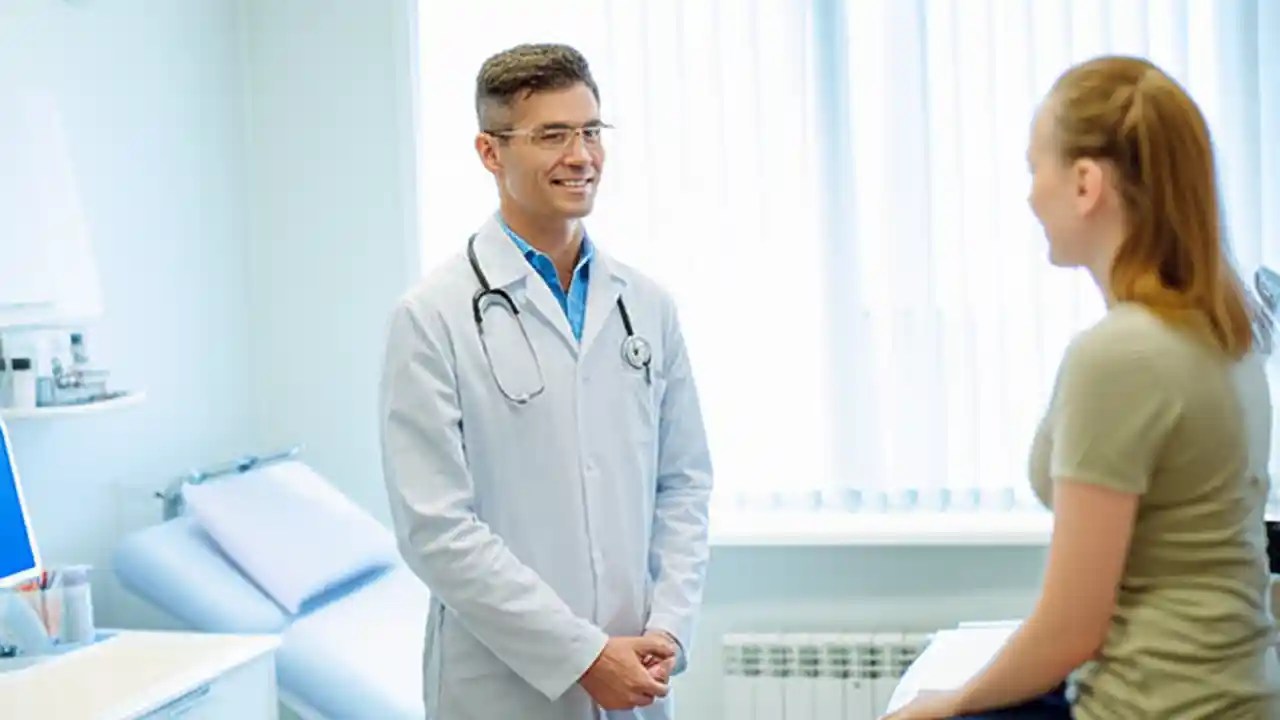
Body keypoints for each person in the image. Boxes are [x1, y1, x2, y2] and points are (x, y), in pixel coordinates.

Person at [887, 55, 1279, 719]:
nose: (1029, 194)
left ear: (1086, 183)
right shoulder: (1225, 335)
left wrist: (945, 704)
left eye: (1035, 166)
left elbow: (1072, 629)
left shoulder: (1122, 355)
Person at [378, 43, 714, 720]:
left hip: (637, 671)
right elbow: (437, 529)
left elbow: (682, 484)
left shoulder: (645, 304)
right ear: (489, 153)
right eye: (552, 135)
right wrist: (582, 656)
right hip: (503, 687)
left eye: (591, 131)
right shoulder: (431, 317)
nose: (581, 155)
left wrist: (670, 625)